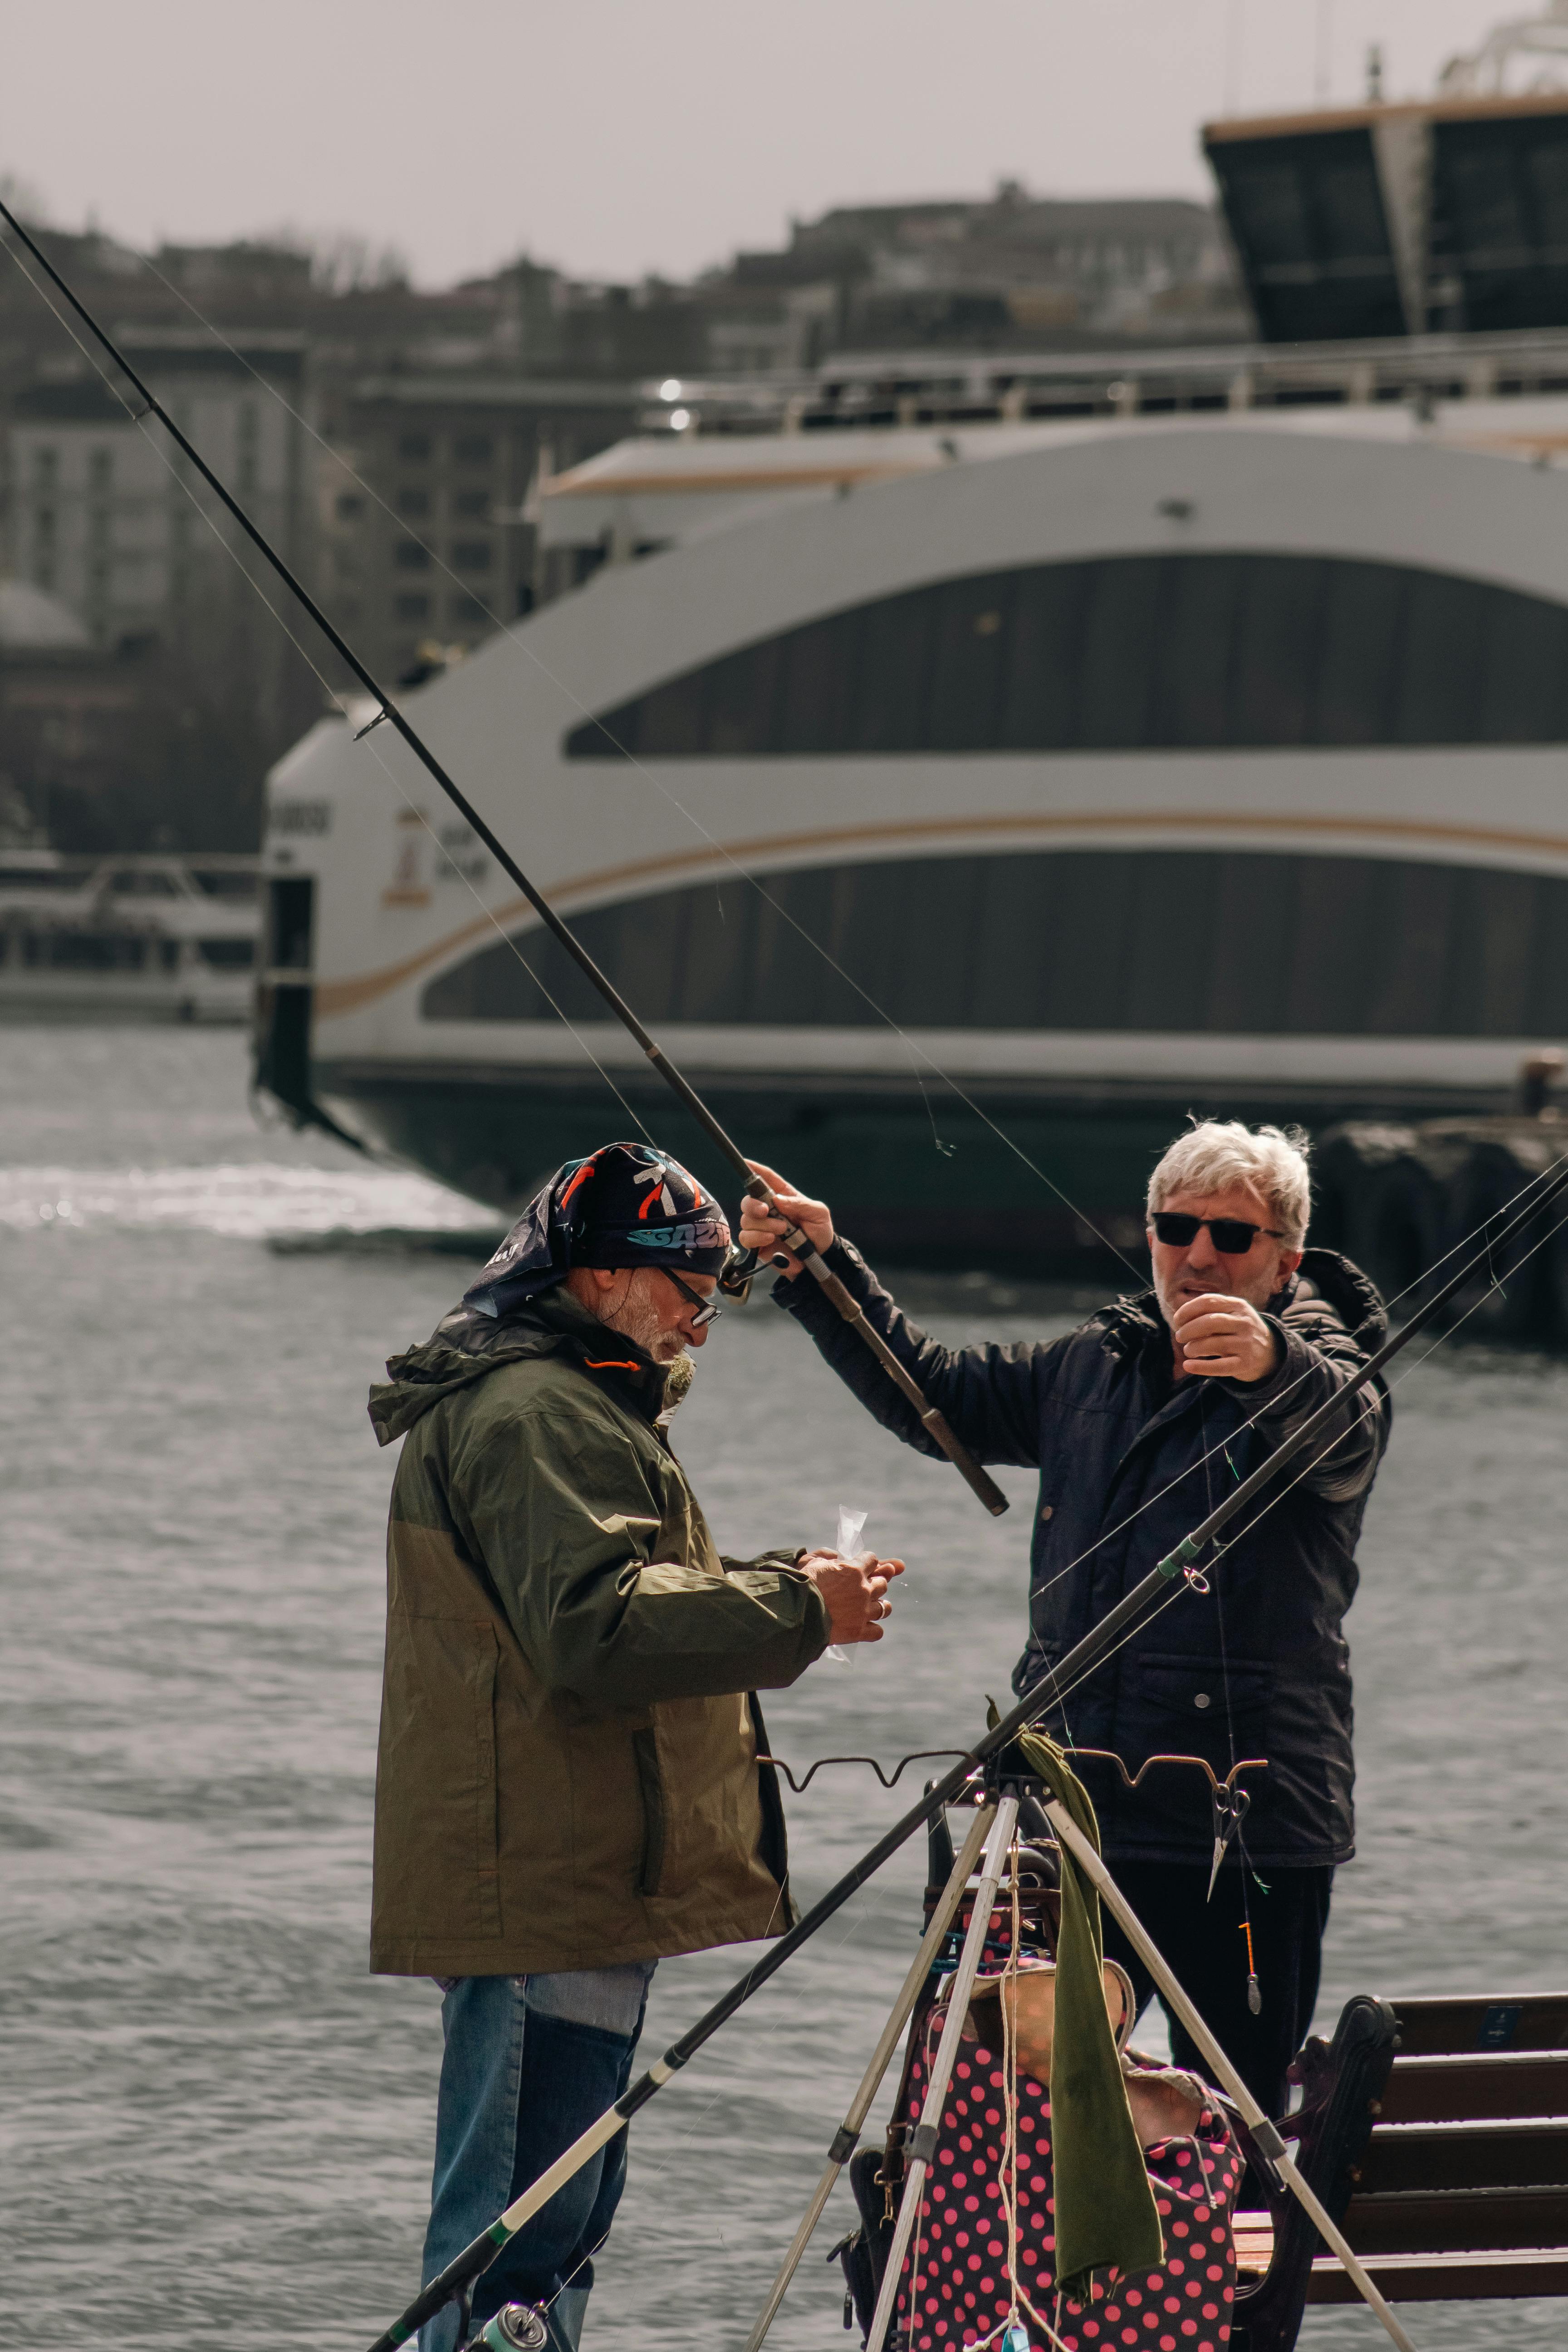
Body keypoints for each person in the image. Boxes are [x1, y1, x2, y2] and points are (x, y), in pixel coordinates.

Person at [738, 1120, 1389, 2126]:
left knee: (1233, 2114)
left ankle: (1235, 2286)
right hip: (1074, 1810)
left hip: (1246, 1827)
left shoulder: (1325, 1366)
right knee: (1043, 2111)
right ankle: (1064, 2286)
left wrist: (1274, 1365)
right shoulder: (1096, 1361)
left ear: (1286, 1261)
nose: (1199, 1255)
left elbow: (1349, 1436)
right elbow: (936, 1396)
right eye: (1177, 1229)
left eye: (1234, 1237)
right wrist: (822, 1269)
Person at [368, 1141, 903, 2352]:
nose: (705, 1322)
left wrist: (787, 1586)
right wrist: (802, 1608)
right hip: (544, 1895)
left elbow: (618, 1601)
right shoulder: (531, 1414)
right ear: (605, 1277)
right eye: (692, 1285)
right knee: (514, 2234)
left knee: (558, 2228)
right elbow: (595, 1632)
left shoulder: (565, 1405)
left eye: (722, 1288)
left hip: (583, 1887)